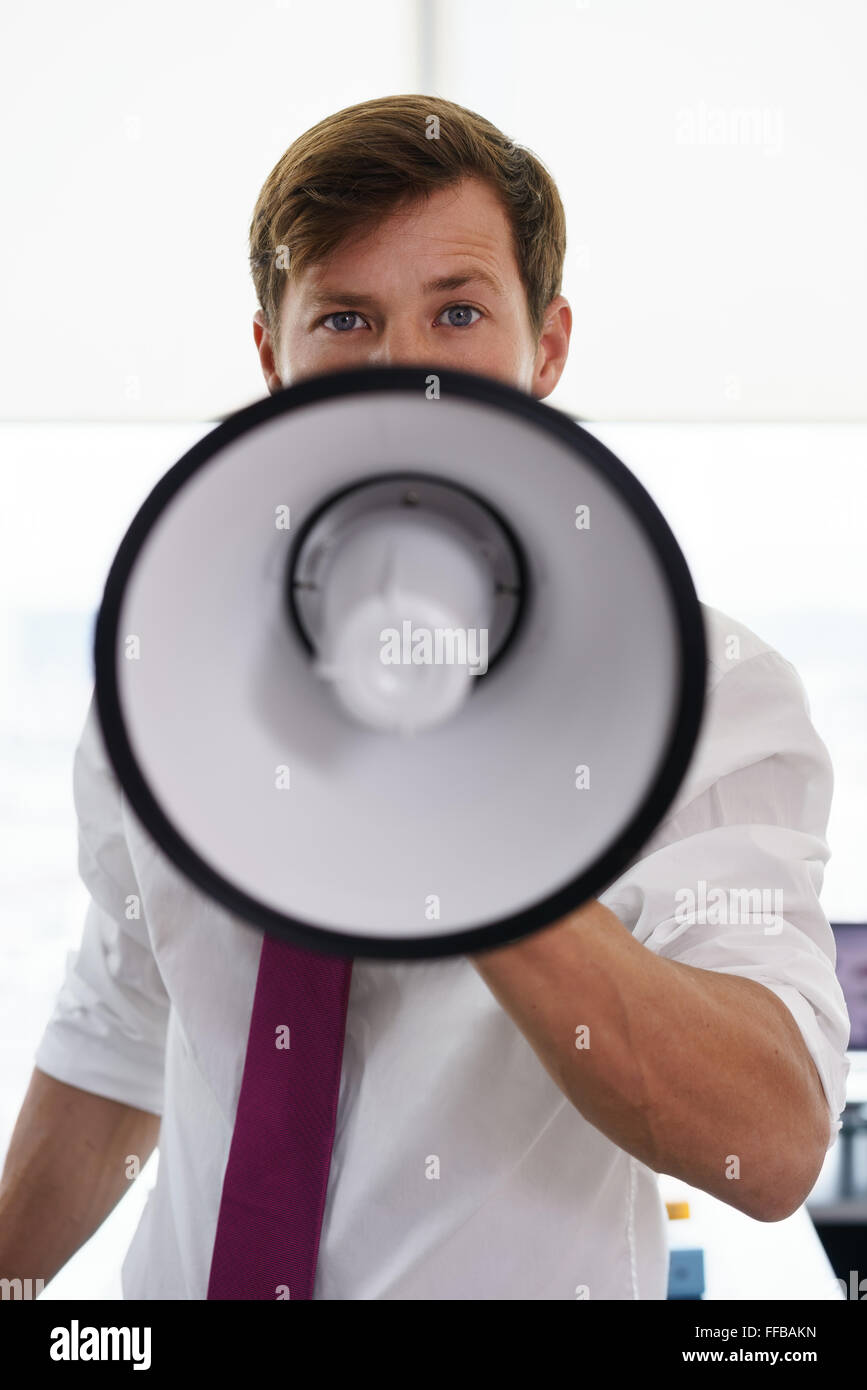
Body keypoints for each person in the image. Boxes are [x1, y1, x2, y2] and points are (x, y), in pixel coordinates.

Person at [0, 94, 850, 1300]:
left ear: (546, 347)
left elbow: (768, 1146)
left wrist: (449, 810)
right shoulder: (169, 670)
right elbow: (121, 1034)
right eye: (345, 317)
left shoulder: (705, 694)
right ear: (271, 359)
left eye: (457, 310)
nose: (403, 369)